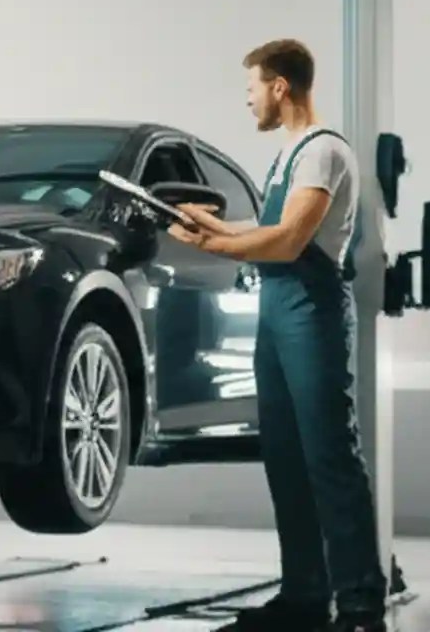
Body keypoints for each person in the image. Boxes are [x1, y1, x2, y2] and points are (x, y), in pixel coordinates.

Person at [169, 39, 388, 632]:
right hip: (277, 312)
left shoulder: (322, 152)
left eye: (251, 90)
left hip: (311, 313)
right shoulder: (288, 152)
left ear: (279, 87)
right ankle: (304, 597)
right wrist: (210, 223)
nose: (249, 103)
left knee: (330, 457)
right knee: (286, 459)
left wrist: (217, 245)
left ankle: (363, 604)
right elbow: (266, 227)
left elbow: (289, 240)